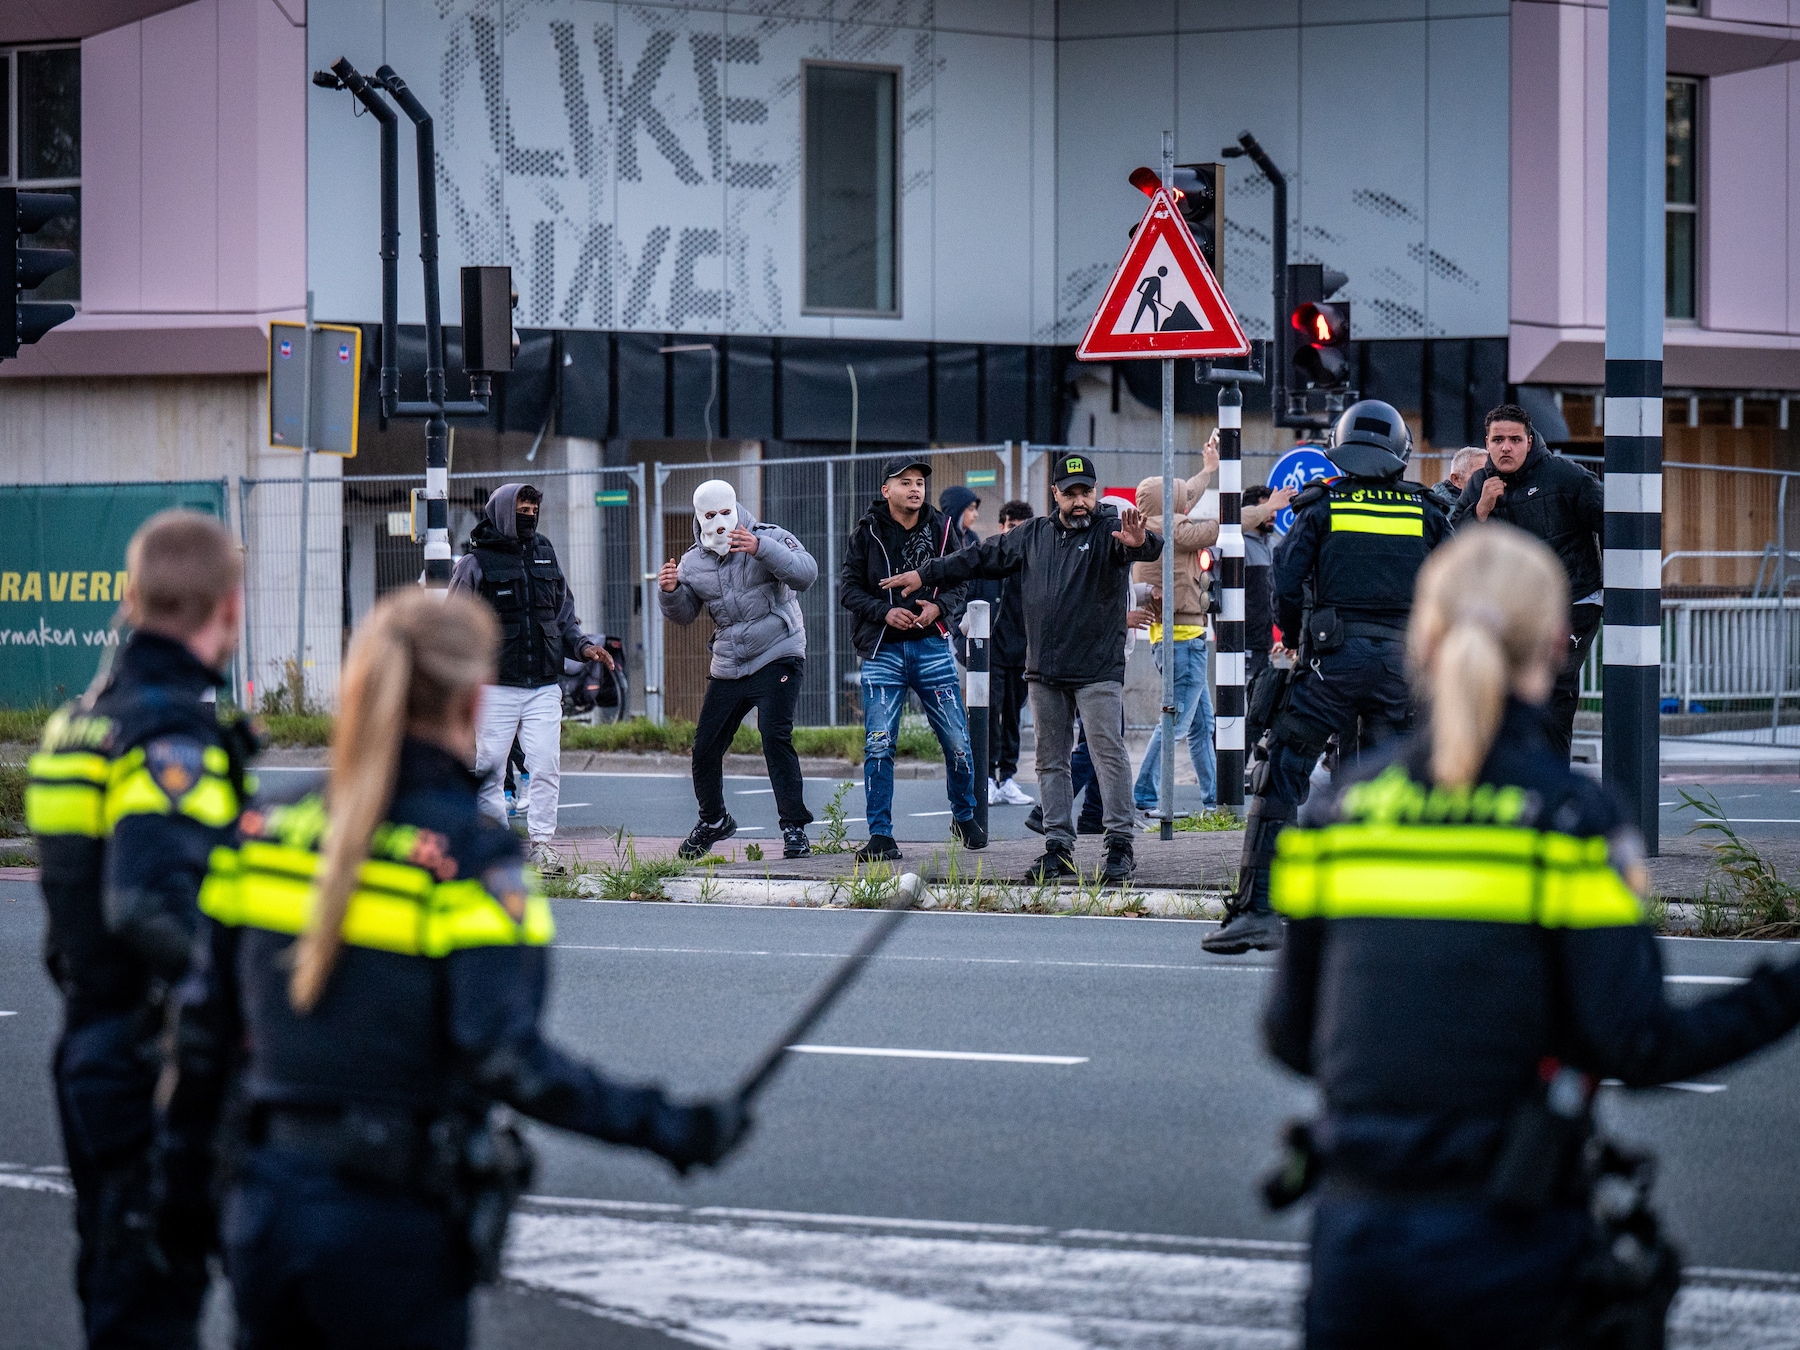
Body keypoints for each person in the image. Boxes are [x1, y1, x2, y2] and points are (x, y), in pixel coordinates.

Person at [154, 591, 747, 1349]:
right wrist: (674, 1129)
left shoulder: (262, 834)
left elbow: (200, 1041)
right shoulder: (471, 859)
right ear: (474, 698)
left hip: (266, 1214)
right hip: (394, 1229)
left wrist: (180, 1210)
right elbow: (507, 1057)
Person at [1263, 524, 1800, 1349]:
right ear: (1556, 642)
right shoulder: (1568, 819)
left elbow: (1294, 1038)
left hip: (1355, 1242)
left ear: (1426, 635)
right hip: (1509, 1240)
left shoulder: (1342, 810)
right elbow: (1640, 1044)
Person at [27, 509, 251, 1350]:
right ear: (227, 607)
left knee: (116, 1287)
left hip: (90, 1036)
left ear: (132, 597)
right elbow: (148, 902)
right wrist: (248, 1001)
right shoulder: (168, 728)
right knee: (152, 1303)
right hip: (150, 1056)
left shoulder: (81, 720)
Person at [1208, 401, 1448, 955]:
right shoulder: (1428, 512)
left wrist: (1292, 639)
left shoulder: (1323, 504)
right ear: (1399, 453)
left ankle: (1259, 912)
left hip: (1329, 665)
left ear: (1340, 449)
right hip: (1401, 670)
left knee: (1281, 773)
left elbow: (1285, 586)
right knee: (1397, 784)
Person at [884, 453, 1161, 885]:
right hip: (1044, 670)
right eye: (1070, 494)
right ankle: (1058, 848)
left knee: (1108, 755)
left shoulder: (1112, 528)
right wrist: (924, 574)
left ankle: (1120, 846)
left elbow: (1148, 544)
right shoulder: (1032, 535)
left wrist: (1139, 544)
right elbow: (977, 558)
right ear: (1055, 495)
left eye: (1086, 492)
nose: (1080, 501)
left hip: (1097, 670)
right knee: (1051, 762)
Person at [449, 483, 612, 877]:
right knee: (489, 766)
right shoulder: (475, 563)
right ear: (503, 512)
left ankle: (543, 846)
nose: (529, 515)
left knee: (544, 764)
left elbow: (563, 615)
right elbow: (454, 624)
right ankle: (497, 848)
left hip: (542, 684)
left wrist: (585, 647)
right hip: (495, 688)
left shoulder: (545, 553)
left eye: (533, 509)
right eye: (521, 509)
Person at [659, 480, 819, 861]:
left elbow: (806, 574)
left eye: (724, 512)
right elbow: (684, 615)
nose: (718, 522)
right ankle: (713, 820)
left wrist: (762, 549)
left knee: (774, 735)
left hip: (778, 650)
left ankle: (793, 827)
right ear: (699, 518)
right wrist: (669, 592)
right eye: (709, 516)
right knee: (705, 748)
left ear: (737, 508)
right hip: (730, 661)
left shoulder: (768, 535)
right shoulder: (692, 562)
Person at [841, 457, 982, 862]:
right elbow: (848, 590)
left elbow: (960, 581)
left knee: (957, 739)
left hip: (932, 648)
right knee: (880, 744)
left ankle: (964, 816)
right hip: (883, 649)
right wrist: (884, 612)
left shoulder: (943, 528)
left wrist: (940, 610)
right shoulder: (866, 532)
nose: (915, 489)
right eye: (905, 482)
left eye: (920, 482)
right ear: (886, 490)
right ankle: (881, 835)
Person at [1450, 405, 1603, 764]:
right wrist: (1480, 510)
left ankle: (1552, 781)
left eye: (1515, 440)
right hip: (1512, 606)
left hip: (1574, 600)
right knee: (1505, 691)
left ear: (1530, 442)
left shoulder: (1567, 477)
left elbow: (1614, 524)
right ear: (1486, 443)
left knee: (1552, 685)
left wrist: (1620, 589)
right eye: (1498, 440)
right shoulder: (1479, 484)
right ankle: (1514, 775)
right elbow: (1454, 544)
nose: (1506, 448)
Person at [1131, 445, 1221, 820]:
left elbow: (1187, 495)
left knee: (1201, 724)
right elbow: (1219, 527)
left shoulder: (1151, 522)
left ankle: (1214, 799)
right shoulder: (1173, 528)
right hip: (1183, 640)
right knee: (1177, 722)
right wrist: (1264, 508)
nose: (1189, 500)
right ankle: (1145, 794)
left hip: (1173, 638)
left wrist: (1208, 470)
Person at [988, 500, 1035, 807]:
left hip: (1024, 652)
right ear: (1002, 527)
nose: (1015, 533)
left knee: (1013, 718)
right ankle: (988, 778)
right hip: (991, 650)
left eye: (1022, 528)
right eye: (1010, 527)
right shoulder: (990, 557)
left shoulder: (1036, 561)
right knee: (989, 715)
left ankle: (1007, 778)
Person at [1425, 445, 1487, 515]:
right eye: (1479, 474)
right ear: (1456, 479)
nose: (1488, 479)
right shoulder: (1435, 510)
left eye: (1490, 473)